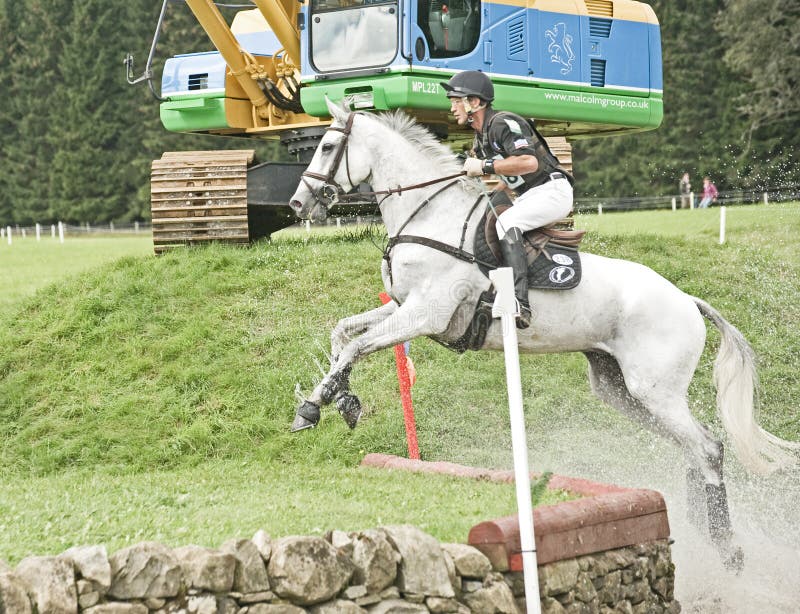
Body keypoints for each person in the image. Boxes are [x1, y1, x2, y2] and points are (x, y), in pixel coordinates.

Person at [441, 70, 574, 329]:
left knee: (506, 222)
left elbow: (528, 162)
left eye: (457, 100)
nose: (452, 107)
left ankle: (519, 302)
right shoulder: (481, 136)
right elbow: (508, 175)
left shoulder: (503, 122)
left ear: (475, 103)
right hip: (531, 194)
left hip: (552, 191)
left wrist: (485, 166)